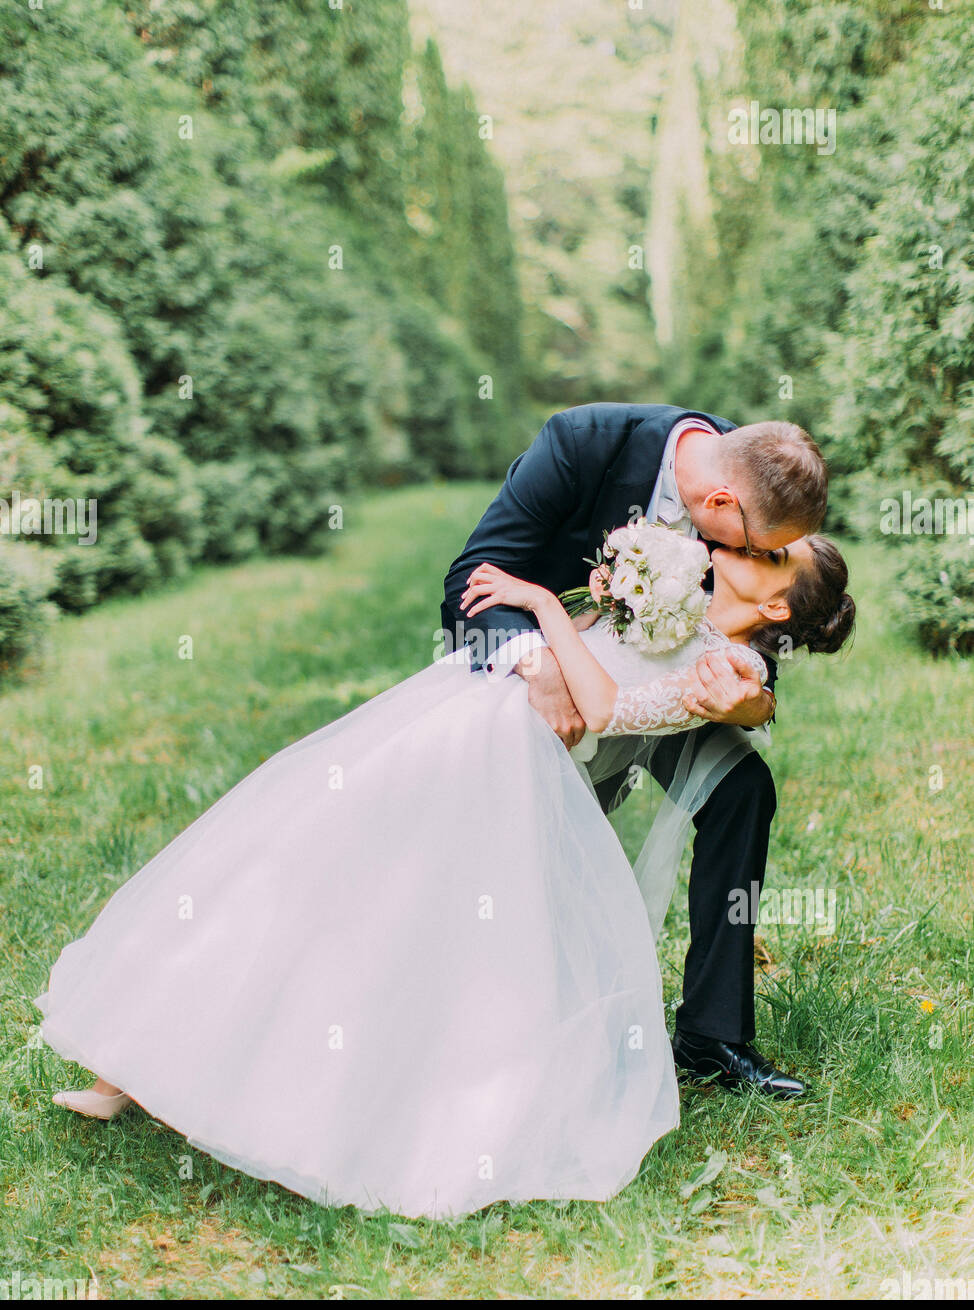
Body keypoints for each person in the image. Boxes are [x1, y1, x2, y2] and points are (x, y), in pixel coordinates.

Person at [36, 522, 853, 1220]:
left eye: (773, 554)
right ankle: (132, 1059)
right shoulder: (675, 589)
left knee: (379, 905)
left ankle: (337, 1097)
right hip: (472, 704)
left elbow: (605, 709)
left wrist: (538, 604)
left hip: (508, 760)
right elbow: (598, 651)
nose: (744, 542)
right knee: (299, 851)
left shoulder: (736, 671)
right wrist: (594, 600)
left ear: (777, 606)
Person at [441, 403, 835, 1096]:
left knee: (744, 787)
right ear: (720, 504)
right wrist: (540, 664)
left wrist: (754, 698)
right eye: (752, 544)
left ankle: (713, 1034)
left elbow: (763, 630)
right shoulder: (580, 446)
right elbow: (469, 580)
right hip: (554, 670)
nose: (736, 559)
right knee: (507, 837)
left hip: (650, 690)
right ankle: (496, 1002)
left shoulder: (754, 473)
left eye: (757, 554)